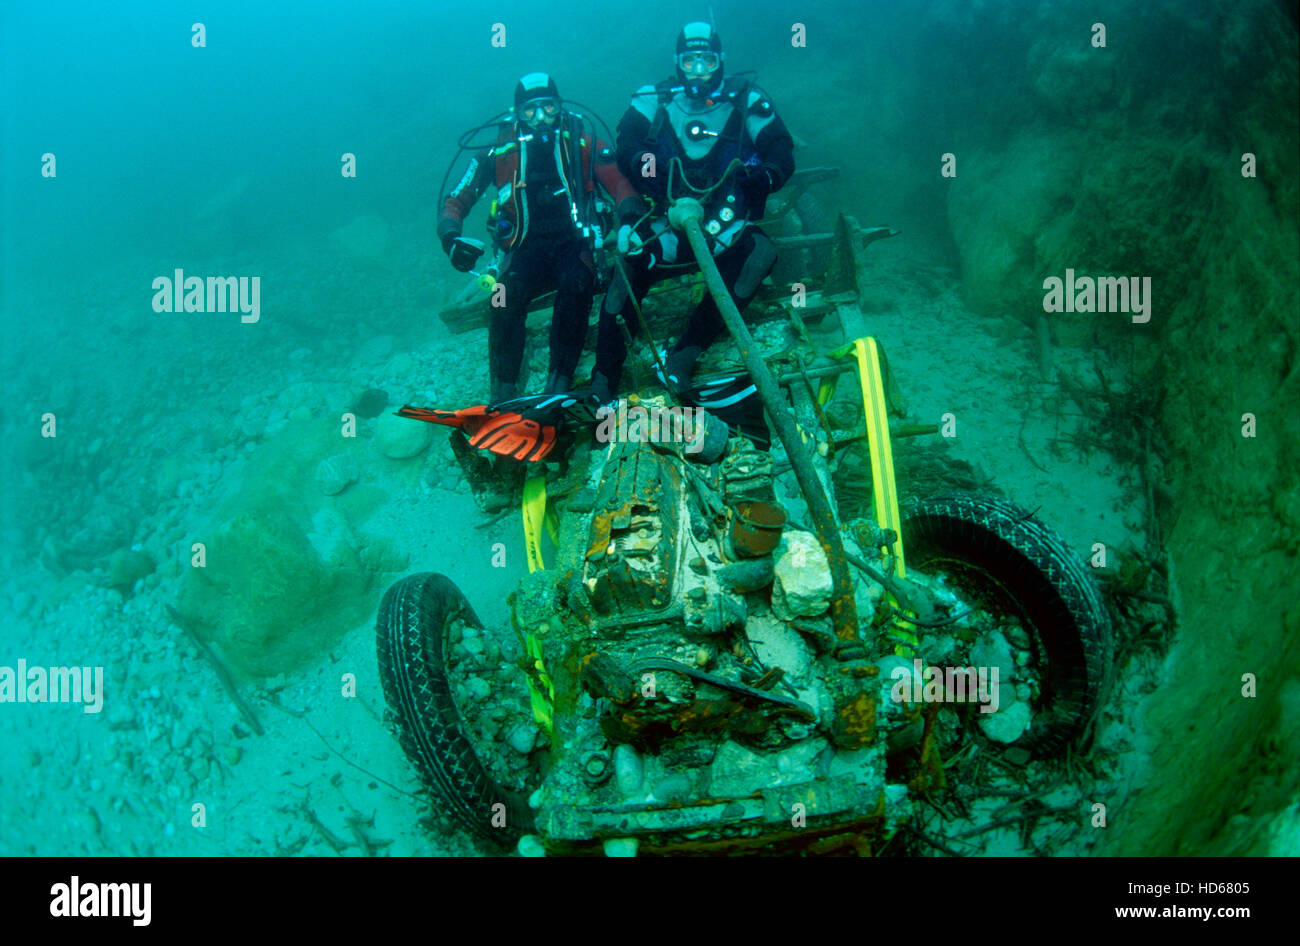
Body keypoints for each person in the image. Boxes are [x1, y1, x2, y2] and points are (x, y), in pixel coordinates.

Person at [589, 21, 795, 406]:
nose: (698, 71)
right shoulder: (654, 98)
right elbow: (627, 143)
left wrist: (767, 176)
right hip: (663, 227)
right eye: (689, 61)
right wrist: (641, 164)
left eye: (706, 60)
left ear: (720, 61)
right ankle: (603, 378)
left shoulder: (746, 98)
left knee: (760, 253)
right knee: (628, 265)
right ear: (677, 63)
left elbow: (780, 148)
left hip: (722, 228)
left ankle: (684, 355)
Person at [438, 72, 642, 408]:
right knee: (502, 298)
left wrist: (628, 222)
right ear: (516, 113)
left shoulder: (584, 142)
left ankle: (556, 388)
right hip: (522, 251)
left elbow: (619, 183)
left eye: (547, 108)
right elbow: (457, 199)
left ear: (559, 107)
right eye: (530, 111)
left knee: (576, 287)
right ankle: (502, 395)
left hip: (574, 248)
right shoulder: (496, 152)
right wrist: (451, 239)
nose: (540, 118)